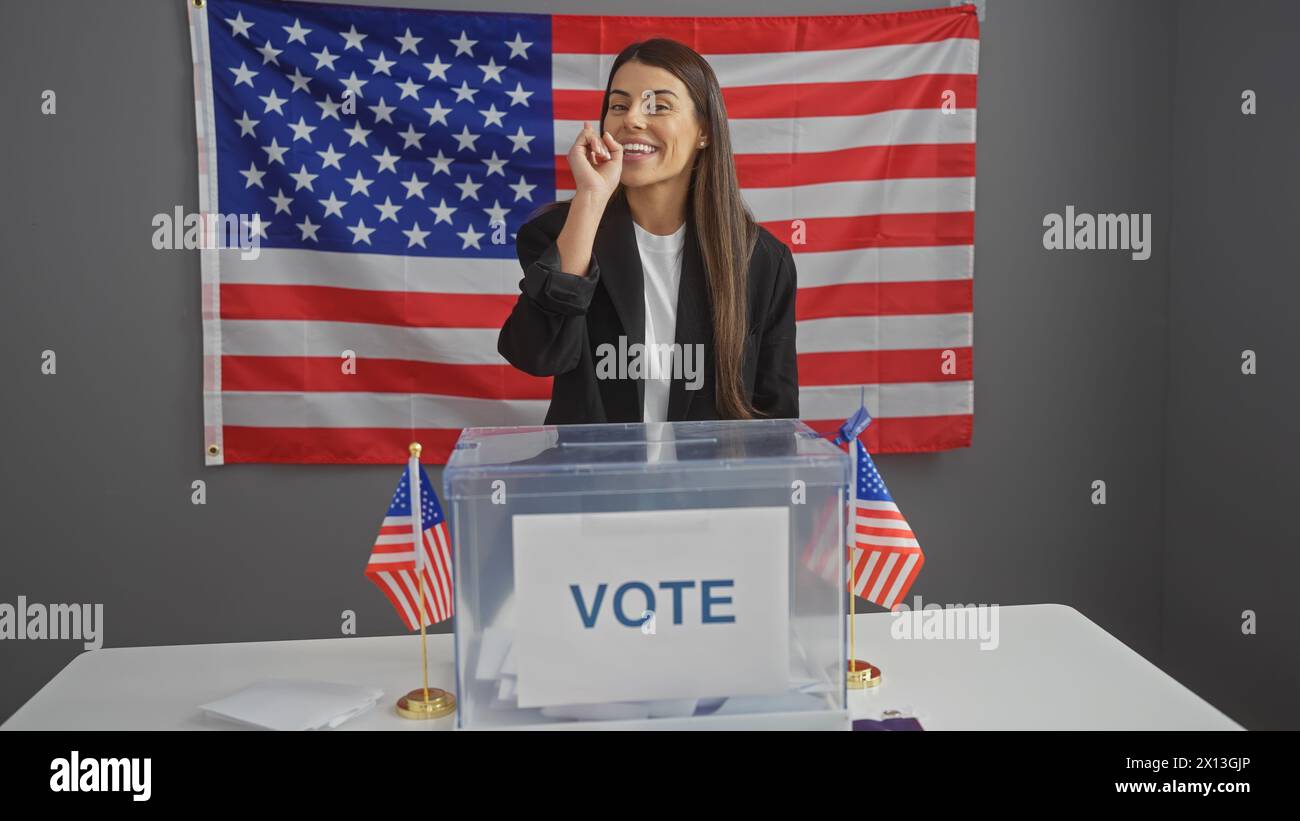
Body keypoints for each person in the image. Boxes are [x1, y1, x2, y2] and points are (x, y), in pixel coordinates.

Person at [497, 38, 799, 425]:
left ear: (704, 131)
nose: (632, 120)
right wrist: (590, 199)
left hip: (710, 482)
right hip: (596, 480)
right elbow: (538, 355)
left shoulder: (762, 260)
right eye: (619, 105)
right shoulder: (559, 232)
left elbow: (777, 414)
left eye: (658, 105)